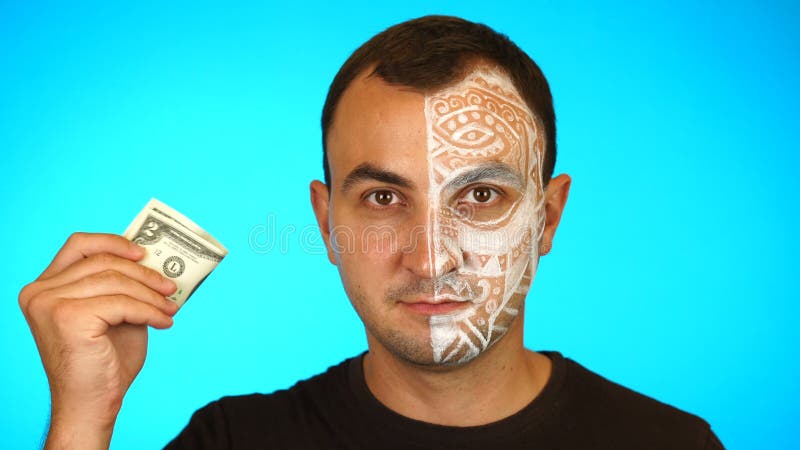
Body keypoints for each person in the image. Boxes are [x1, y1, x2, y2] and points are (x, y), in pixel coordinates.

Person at [18, 15, 724, 450]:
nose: (430, 256)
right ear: (327, 223)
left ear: (547, 217)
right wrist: (84, 415)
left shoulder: (672, 443)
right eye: (384, 196)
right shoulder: (231, 442)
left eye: (480, 195)